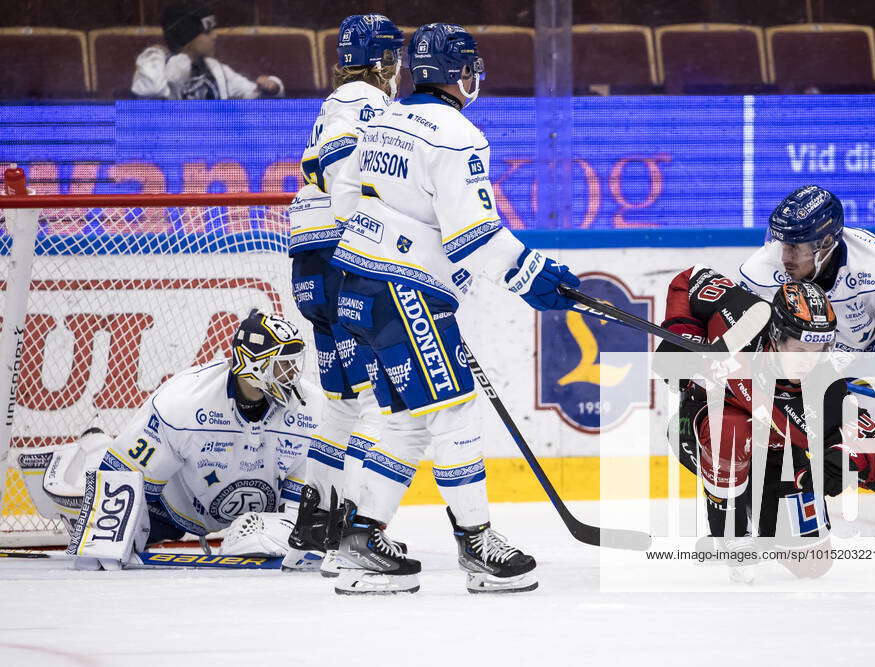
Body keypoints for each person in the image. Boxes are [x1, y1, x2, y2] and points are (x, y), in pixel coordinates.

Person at [325, 23, 580, 595]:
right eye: (472, 66)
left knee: (408, 421)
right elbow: (475, 237)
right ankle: (477, 542)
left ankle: (362, 540)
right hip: (403, 288)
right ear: (459, 72)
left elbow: (341, 196)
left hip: (356, 281)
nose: (476, 76)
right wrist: (539, 278)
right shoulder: (458, 135)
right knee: (456, 411)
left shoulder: (382, 117)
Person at [738, 185, 875, 570]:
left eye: (797, 246)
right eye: (782, 242)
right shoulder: (760, 271)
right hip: (804, 365)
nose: (785, 255)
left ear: (825, 243)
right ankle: (778, 519)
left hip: (868, 354)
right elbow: (739, 337)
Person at [43, 310, 329, 570]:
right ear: (253, 364)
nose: (292, 375)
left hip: (257, 518)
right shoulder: (183, 402)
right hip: (172, 510)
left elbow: (302, 496)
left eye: (293, 365)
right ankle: (91, 453)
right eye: (282, 365)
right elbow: (127, 472)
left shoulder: (310, 407)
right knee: (106, 551)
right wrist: (103, 537)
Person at [660, 268, 875, 581]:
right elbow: (689, 279)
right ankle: (732, 536)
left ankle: (758, 512)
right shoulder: (743, 317)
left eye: (820, 350)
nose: (808, 361)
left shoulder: (825, 389)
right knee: (729, 432)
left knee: (812, 565)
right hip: (702, 427)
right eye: (799, 350)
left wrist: (844, 462)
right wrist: (682, 329)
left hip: (775, 457)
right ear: (774, 335)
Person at [283, 14, 404, 575]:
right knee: (386, 404)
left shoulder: (334, 102)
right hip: (343, 259)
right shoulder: (368, 104)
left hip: (310, 262)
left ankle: (312, 531)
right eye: (395, 60)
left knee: (341, 404)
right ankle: (356, 536)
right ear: (383, 62)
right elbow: (348, 179)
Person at [131, 2, 284, 100]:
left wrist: (271, 87)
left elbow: (249, 92)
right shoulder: (157, 65)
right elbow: (151, 90)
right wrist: (154, 54)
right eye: (207, 32)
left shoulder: (213, 67)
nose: (215, 36)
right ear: (188, 37)